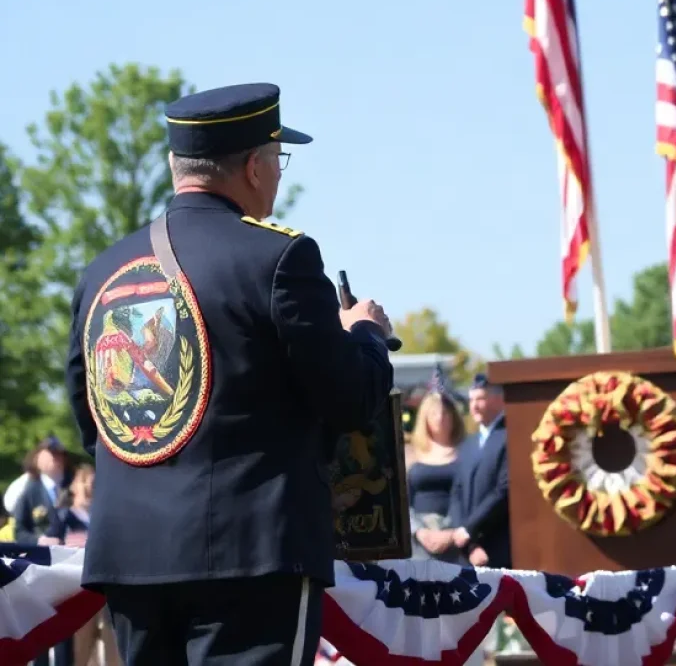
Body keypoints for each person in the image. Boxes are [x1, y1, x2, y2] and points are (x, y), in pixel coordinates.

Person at [65, 82, 395, 666]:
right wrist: (365, 334)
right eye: (278, 160)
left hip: (132, 558)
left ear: (176, 165)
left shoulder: (102, 270)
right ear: (253, 167)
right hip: (252, 559)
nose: (279, 176)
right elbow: (348, 399)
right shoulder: (280, 258)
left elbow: (94, 421)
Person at [47, 463, 122, 666]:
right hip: (77, 589)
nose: (90, 487)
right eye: (85, 482)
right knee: (81, 650)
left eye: (94, 483)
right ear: (75, 486)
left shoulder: (103, 516)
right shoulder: (64, 517)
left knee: (112, 645)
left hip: (105, 590)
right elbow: (49, 547)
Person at [447, 373, 510, 570]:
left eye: (480, 399)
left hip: (498, 547)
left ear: (499, 399)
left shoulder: (509, 436)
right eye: (471, 399)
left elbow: (504, 490)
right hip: (467, 551)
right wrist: (466, 539)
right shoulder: (469, 443)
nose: (473, 406)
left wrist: (469, 529)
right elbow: (456, 492)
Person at [407, 366, 466, 563]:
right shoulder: (410, 453)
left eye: (445, 413)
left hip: (456, 539)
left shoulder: (467, 451)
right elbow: (401, 501)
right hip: (419, 542)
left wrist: (451, 532)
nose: (440, 419)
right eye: (434, 414)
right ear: (425, 418)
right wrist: (420, 531)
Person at [11, 437, 68, 545]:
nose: (56, 458)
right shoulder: (28, 489)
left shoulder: (72, 487)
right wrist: (39, 541)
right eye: (51, 453)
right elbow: (19, 531)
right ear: (38, 458)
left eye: (59, 454)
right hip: (41, 556)